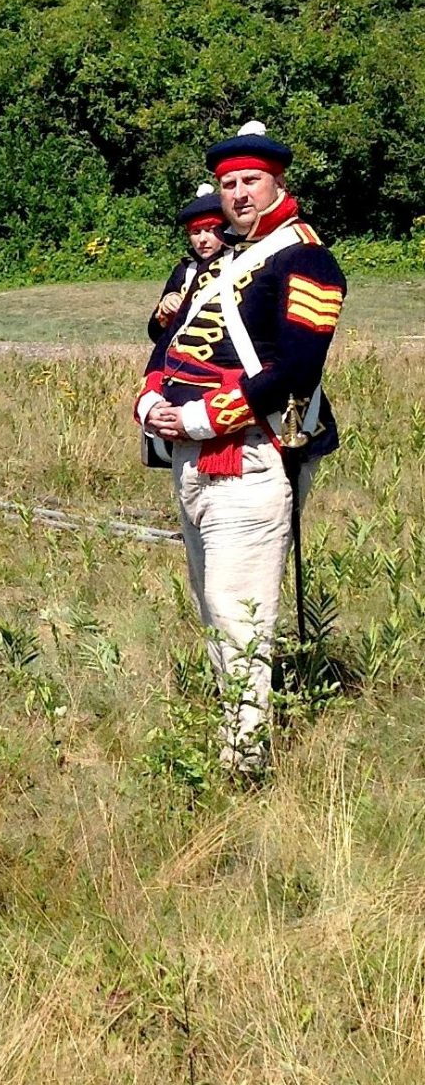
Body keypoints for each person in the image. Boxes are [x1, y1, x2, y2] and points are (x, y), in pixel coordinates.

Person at [135, 121, 346, 774]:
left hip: (250, 454)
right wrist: (148, 399)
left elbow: (296, 369)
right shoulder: (219, 258)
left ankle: (246, 764)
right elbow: (170, 345)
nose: (238, 194)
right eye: (229, 184)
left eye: (250, 181)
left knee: (239, 615)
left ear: (277, 183)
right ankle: (236, 734)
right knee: (213, 607)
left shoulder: (304, 258)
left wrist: (199, 419)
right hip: (191, 455)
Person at [148, 184, 228, 343]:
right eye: (196, 232)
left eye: (211, 230)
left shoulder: (244, 264)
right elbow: (156, 333)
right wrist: (165, 309)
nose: (202, 239)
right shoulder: (184, 271)